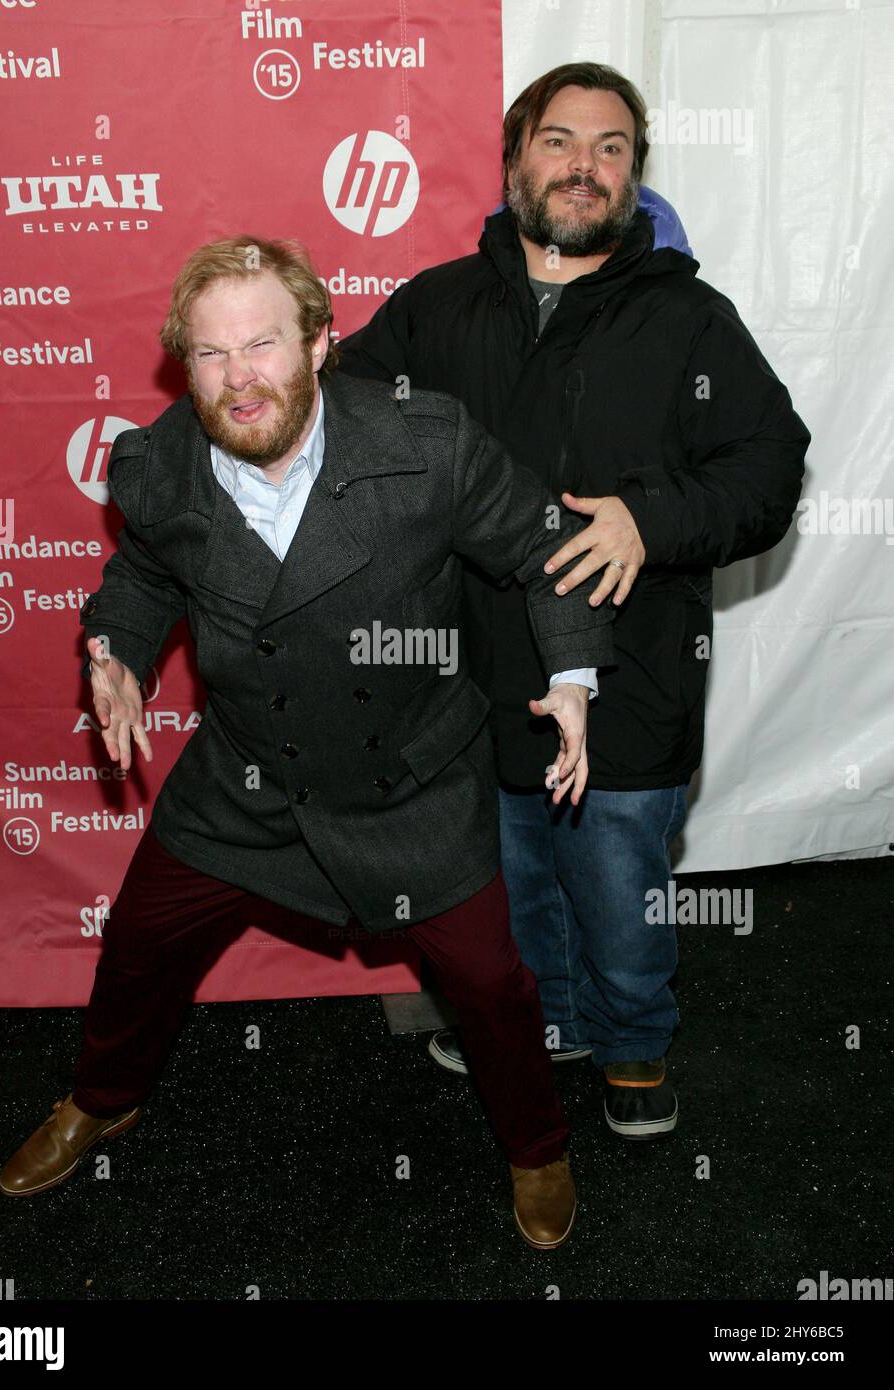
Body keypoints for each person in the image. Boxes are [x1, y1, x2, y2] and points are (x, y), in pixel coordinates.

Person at [0, 235, 615, 1250]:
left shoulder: (428, 441)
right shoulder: (156, 466)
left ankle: (537, 1147)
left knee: (493, 988)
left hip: (410, 775)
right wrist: (118, 655)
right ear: (182, 363)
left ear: (322, 342)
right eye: (212, 354)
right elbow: (144, 582)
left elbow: (550, 549)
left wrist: (573, 678)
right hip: (247, 774)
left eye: (264, 345)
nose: (241, 377)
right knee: (142, 942)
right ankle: (103, 1096)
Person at [338, 62, 810, 1138]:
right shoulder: (434, 307)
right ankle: (546, 1021)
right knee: (507, 875)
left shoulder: (691, 318)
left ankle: (634, 1045)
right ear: (515, 160)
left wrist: (653, 520)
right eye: (560, 141)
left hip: (633, 670)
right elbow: (338, 432)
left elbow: (772, 467)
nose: (583, 168)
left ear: (637, 175)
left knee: (618, 877)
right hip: (475, 672)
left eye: (611, 149)